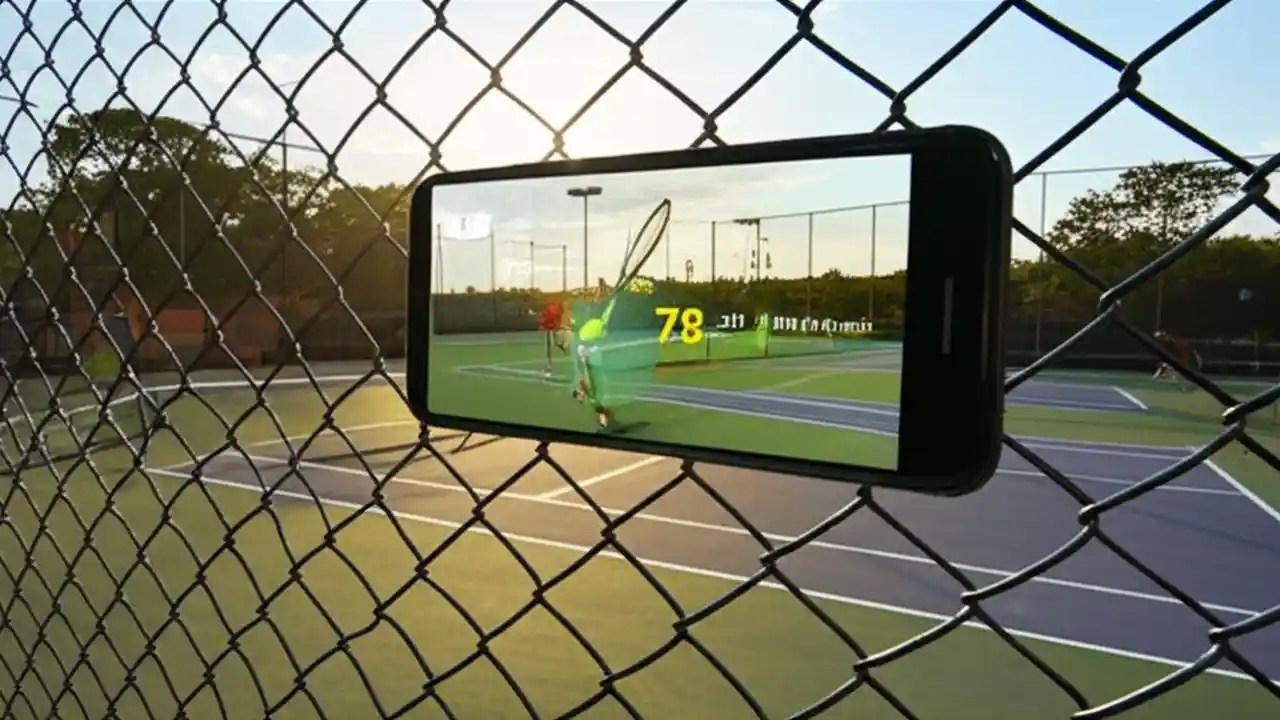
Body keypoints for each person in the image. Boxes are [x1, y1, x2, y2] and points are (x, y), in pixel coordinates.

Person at [538, 298, 570, 376]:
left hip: (552, 328)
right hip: (552, 327)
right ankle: (549, 365)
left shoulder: (552, 309)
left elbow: (549, 318)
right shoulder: (553, 309)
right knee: (553, 343)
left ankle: (549, 366)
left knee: (550, 346)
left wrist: (544, 324)